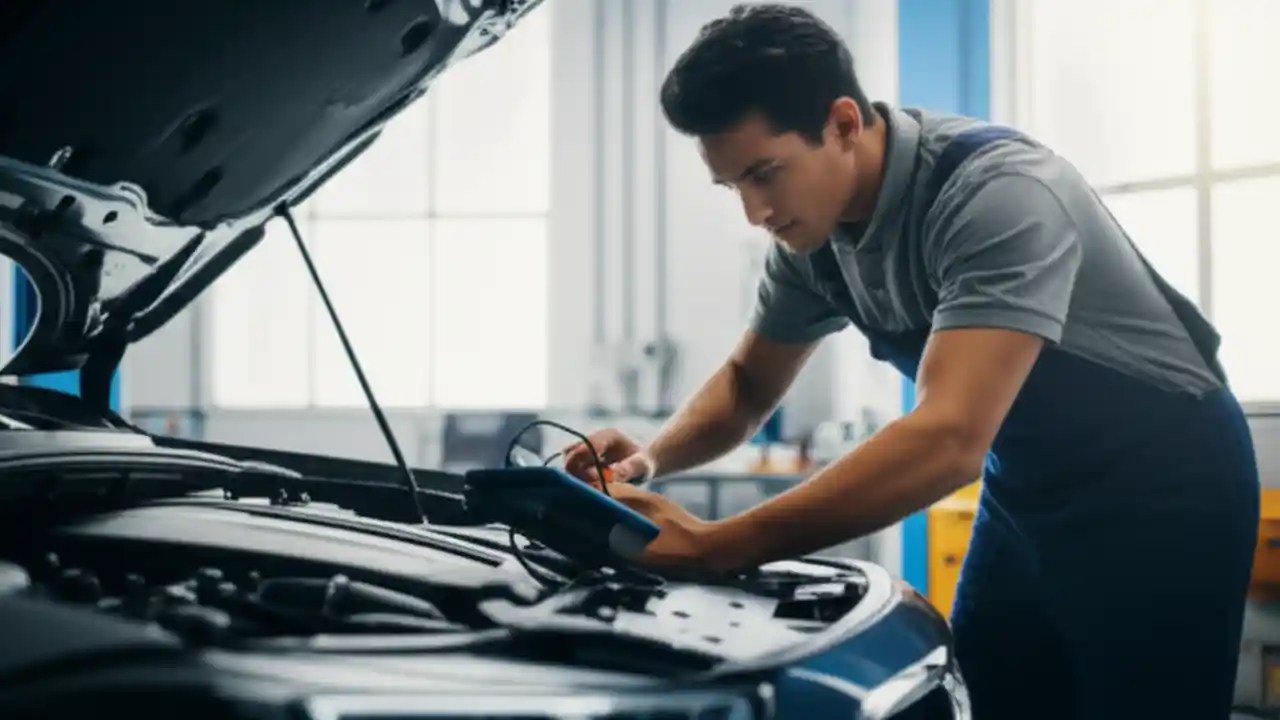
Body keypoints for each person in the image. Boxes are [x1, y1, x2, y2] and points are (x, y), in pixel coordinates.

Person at [560, 4, 1259, 719]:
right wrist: (643, 463)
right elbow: (746, 385)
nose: (755, 212)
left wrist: (718, 546)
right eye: (732, 184)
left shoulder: (997, 195)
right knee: (989, 699)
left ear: (842, 123)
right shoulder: (812, 241)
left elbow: (948, 437)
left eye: (765, 173)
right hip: (1028, 494)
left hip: (1166, 491)